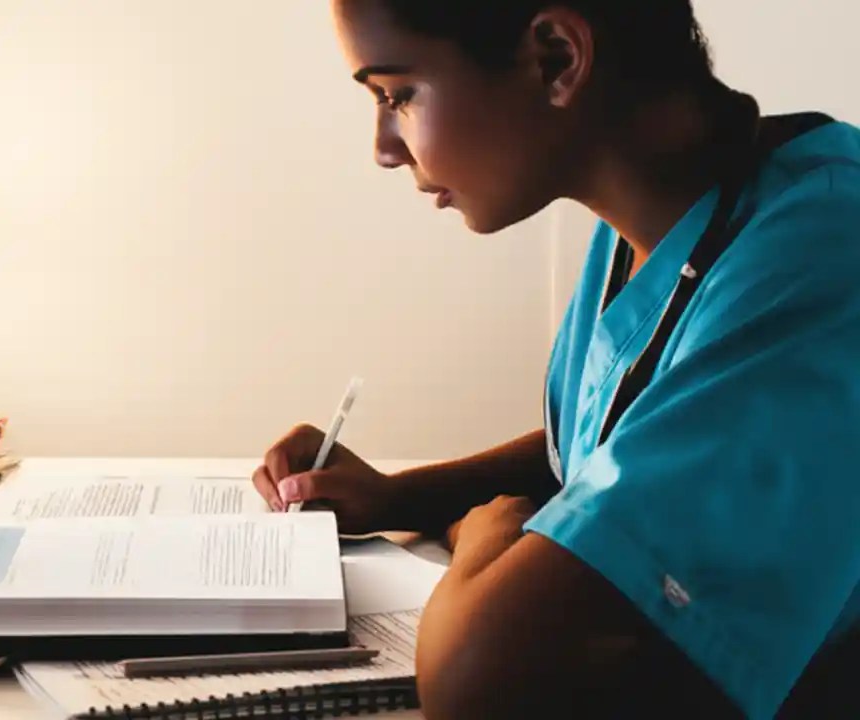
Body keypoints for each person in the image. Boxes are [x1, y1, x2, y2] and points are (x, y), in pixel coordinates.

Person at [251, 2, 860, 718]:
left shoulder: (817, 254)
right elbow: (618, 454)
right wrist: (402, 497)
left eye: (397, 95)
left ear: (556, 59)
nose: (384, 147)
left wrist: (487, 526)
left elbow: (479, 677)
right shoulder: (648, 222)